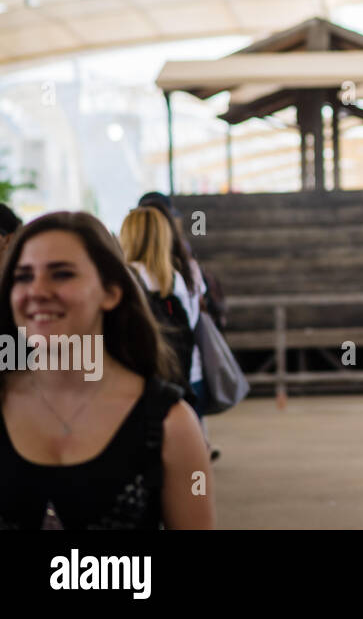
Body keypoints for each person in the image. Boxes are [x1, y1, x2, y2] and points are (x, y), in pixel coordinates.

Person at [0, 211, 213, 528]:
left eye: (62, 274)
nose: (37, 291)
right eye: (23, 276)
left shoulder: (172, 425)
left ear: (111, 292)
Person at [119, 207, 203, 411]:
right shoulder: (175, 279)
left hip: (138, 381)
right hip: (182, 375)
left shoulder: (123, 278)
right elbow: (190, 324)